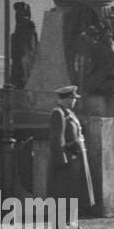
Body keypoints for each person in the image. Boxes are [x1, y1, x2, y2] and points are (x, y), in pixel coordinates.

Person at [48, 84, 96, 218]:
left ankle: (70, 220)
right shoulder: (59, 113)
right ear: (68, 99)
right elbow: (57, 139)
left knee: (72, 191)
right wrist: (62, 160)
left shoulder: (68, 113)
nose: (75, 101)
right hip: (66, 159)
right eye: (73, 98)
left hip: (73, 158)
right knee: (62, 192)